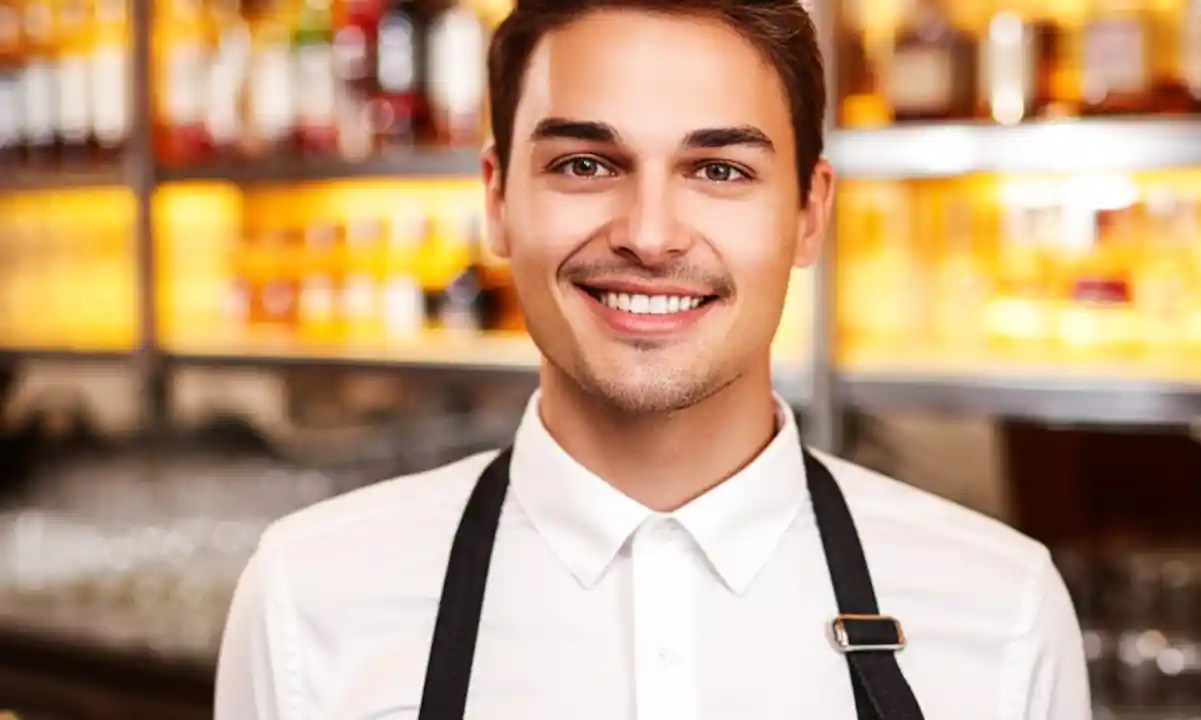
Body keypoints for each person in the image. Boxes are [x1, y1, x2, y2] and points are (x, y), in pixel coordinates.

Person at [214, 1, 1090, 718]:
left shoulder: (1003, 611)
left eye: (718, 171)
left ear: (808, 216)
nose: (649, 236)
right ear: (497, 201)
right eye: (586, 162)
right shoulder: (308, 600)